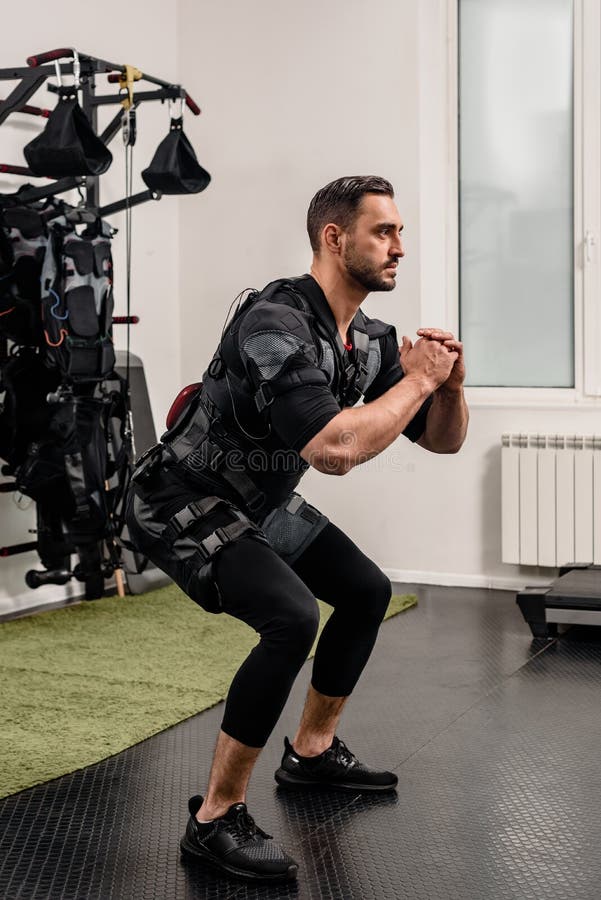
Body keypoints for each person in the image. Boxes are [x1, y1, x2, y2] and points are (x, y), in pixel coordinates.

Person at [125, 175, 468, 883]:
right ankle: (214, 819)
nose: (400, 246)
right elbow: (334, 450)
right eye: (384, 231)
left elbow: (441, 443)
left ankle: (311, 753)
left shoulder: (367, 340)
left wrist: (447, 386)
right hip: (179, 497)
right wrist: (417, 382)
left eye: (400, 231)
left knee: (365, 590)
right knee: (288, 616)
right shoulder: (273, 323)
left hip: (256, 501)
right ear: (333, 238)